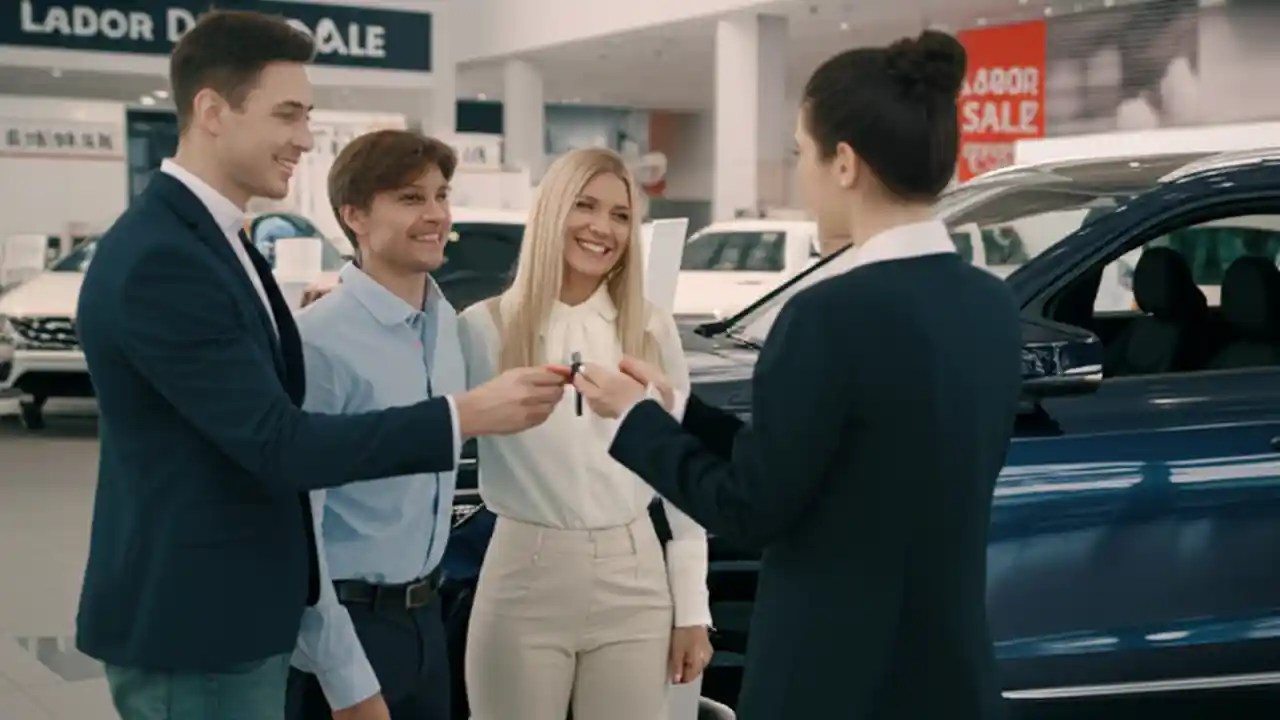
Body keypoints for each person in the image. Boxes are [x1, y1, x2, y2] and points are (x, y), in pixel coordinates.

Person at [74, 11, 565, 720]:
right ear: (213, 111)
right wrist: (464, 415)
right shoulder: (164, 258)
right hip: (200, 625)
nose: (306, 137)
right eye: (288, 114)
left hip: (242, 619)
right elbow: (279, 444)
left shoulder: (215, 241)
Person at [572, 31, 1023, 720]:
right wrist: (684, 411)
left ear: (843, 163)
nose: (802, 174)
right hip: (948, 672)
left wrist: (635, 423)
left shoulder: (826, 316)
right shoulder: (990, 305)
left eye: (800, 153)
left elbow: (752, 508)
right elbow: (844, 463)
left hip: (832, 677)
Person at [457, 147, 714, 720]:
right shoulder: (482, 327)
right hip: (524, 572)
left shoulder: (648, 327)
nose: (603, 228)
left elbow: (682, 476)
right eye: (585, 205)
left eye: (621, 215)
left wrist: (692, 608)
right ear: (552, 212)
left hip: (637, 577)